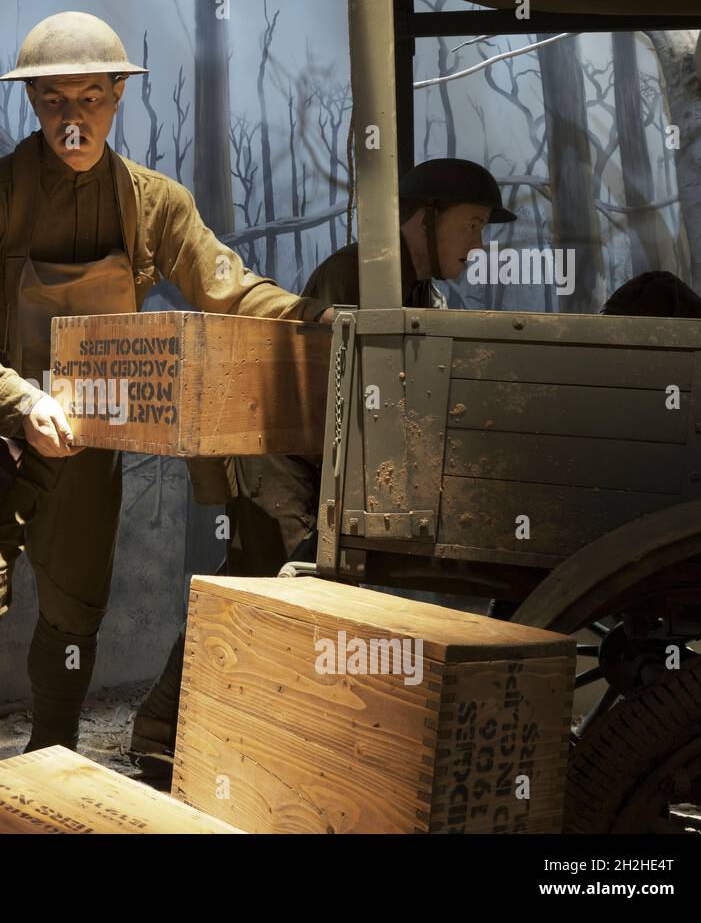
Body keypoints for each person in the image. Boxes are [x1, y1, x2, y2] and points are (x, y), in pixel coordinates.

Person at [0, 12, 333, 762]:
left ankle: (53, 760)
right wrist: (20, 402)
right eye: (55, 103)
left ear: (117, 96)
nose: (74, 121)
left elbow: (228, 290)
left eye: (91, 99)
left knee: (76, 611)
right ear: (32, 102)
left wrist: (321, 318)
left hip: (91, 437)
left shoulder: (152, 203)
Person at [130, 158, 519, 769]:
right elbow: (337, 395)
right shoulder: (357, 276)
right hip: (281, 454)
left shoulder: (419, 292)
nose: (478, 243)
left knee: (270, 591)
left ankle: (207, 733)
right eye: (471, 225)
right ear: (425, 217)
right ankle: (166, 732)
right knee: (265, 588)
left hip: (329, 463)